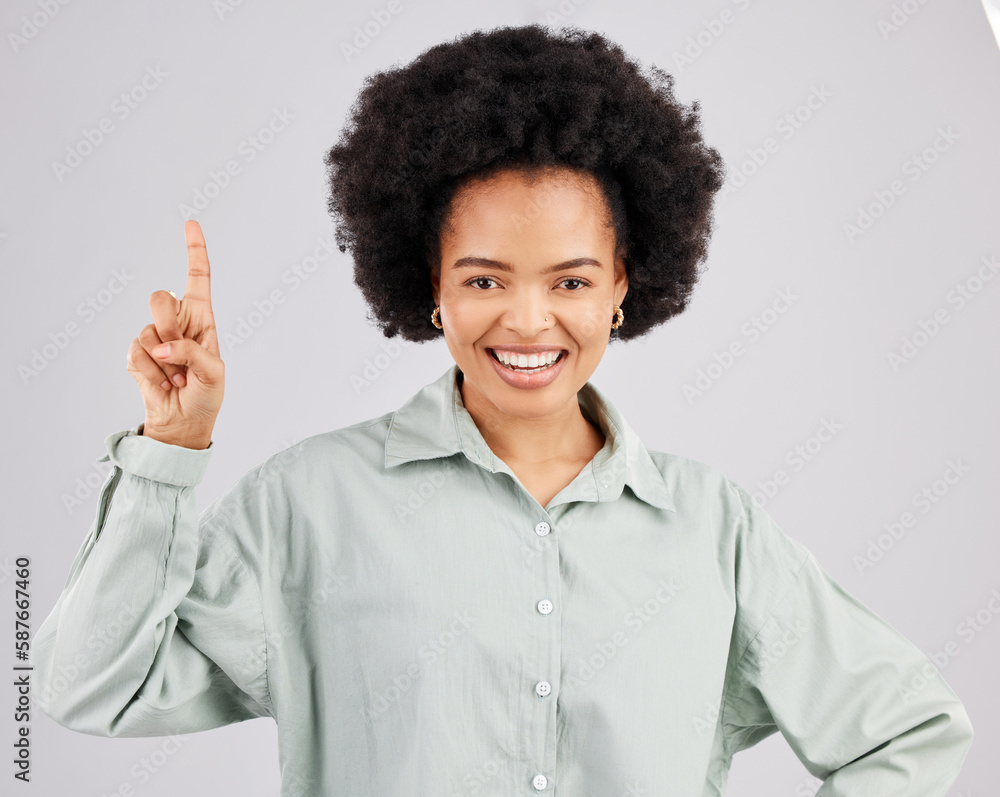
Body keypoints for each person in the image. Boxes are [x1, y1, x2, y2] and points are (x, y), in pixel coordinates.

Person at [32, 23, 972, 797]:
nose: (529, 319)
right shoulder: (306, 507)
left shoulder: (713, 530)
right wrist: (171, 446)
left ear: (621, 290)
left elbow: (910, 729)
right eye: (485, 278)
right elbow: (89, 687)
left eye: (570, 279)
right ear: (429, 284)